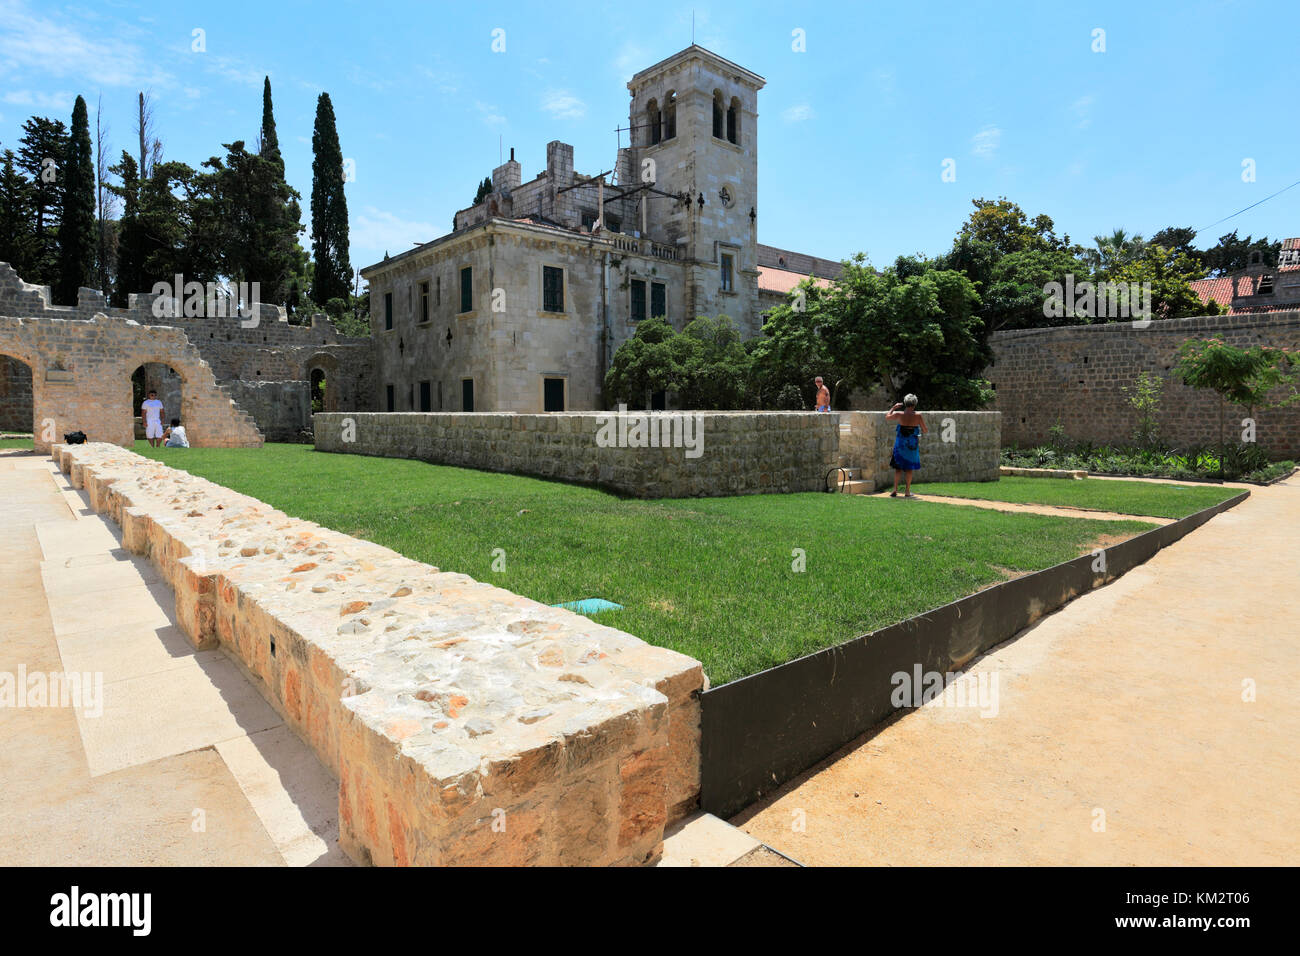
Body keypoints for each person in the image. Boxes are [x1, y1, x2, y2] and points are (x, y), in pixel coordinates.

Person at [885, 393, 927, 498]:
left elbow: (887, 417)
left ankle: (895, 490)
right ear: (915, 404)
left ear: (905, 403)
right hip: (912, 445)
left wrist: (893, 407)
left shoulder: (899, 414)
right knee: (909, 469)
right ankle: (907, 492)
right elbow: (925, 430)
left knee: (898, 468)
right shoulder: (918, 416)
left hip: (900, 444)